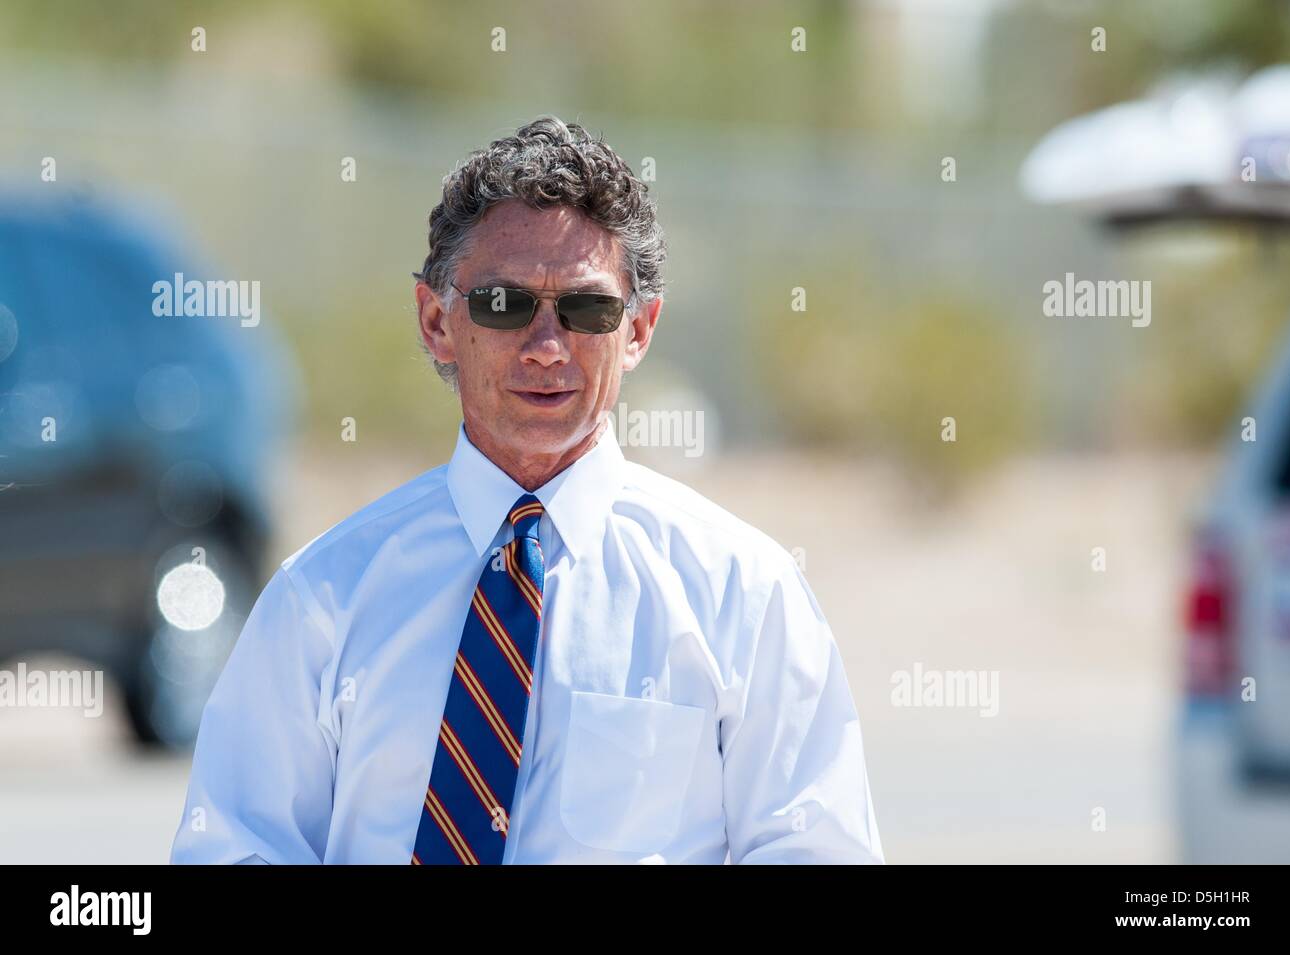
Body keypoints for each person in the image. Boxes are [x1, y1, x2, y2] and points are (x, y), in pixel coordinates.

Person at [170, 116, 884, 864]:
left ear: (638, 329)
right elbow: (234, 846)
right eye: (504, 306)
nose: (547, 346)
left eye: (586, 310)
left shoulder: (742, 592)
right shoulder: (323, 597)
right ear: (437, 321)